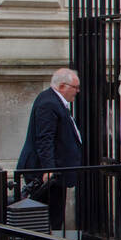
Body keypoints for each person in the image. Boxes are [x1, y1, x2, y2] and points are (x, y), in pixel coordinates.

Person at [16, 68, 82, 231]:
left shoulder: (54, 101)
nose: (78, 91)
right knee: (49, 218)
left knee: (53, 216)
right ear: (62, 86)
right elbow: (44, 139)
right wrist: (49, 169)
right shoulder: (48, 103)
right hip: (46, 173)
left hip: (54, 170)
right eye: (75, 87)